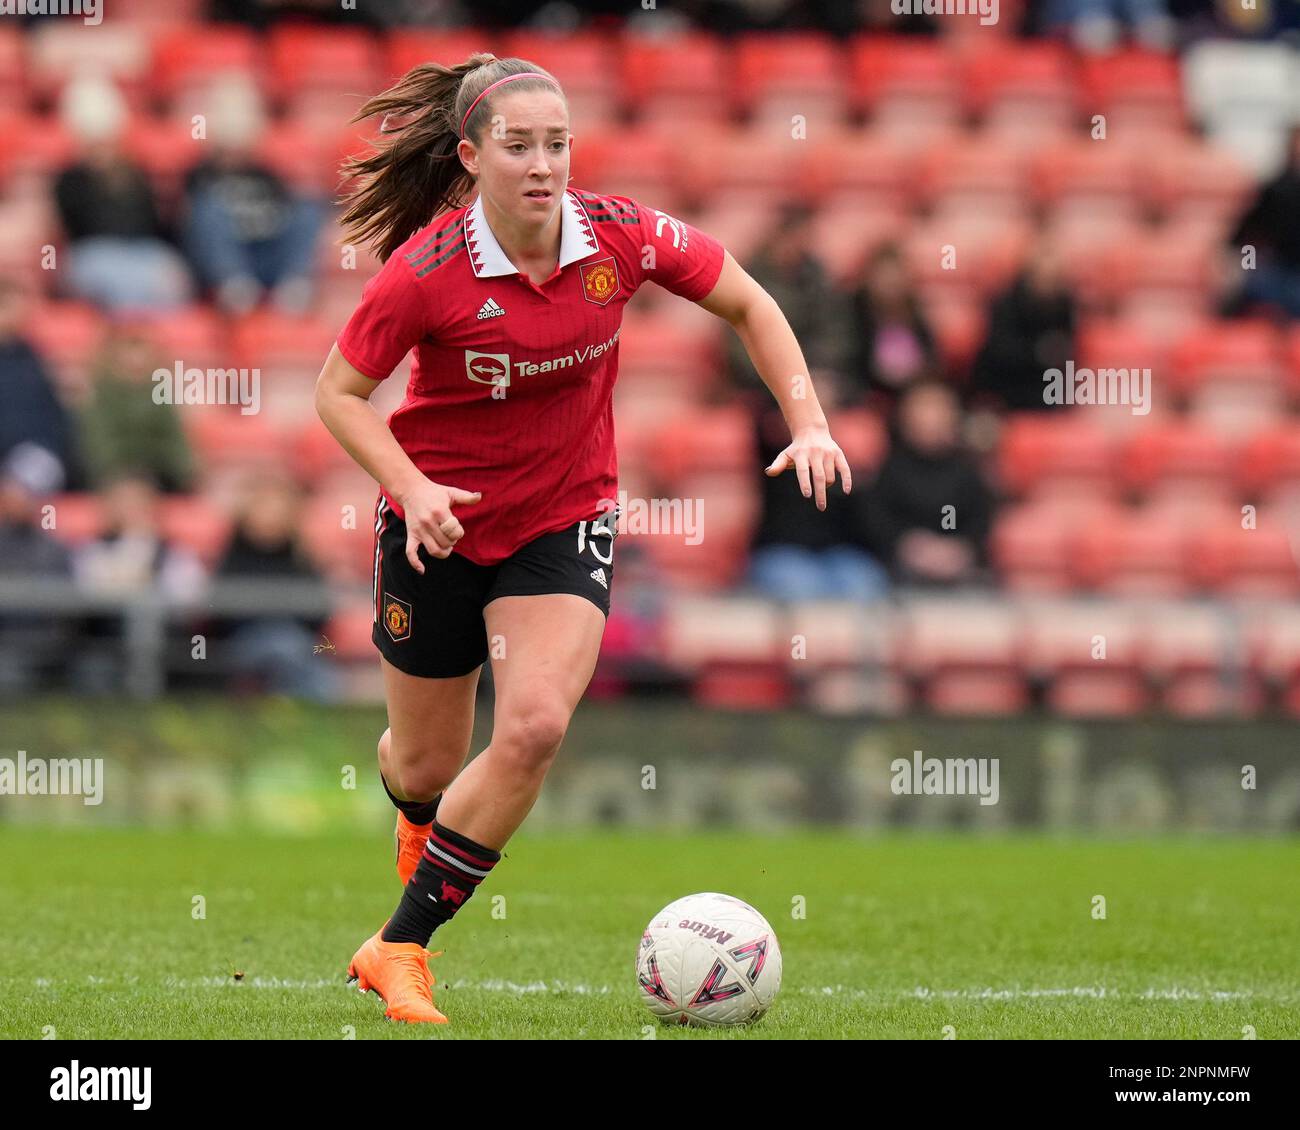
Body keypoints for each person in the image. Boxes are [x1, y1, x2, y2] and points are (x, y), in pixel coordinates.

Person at [316, 54, 851, 1024]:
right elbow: (338, 395)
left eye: (556, 143)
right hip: (436, 526)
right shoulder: (426, 271)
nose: (543, 164)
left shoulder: (620, 235)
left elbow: (748, 301)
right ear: (471, 156)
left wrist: (807, 421)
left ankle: (398, 945)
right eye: (518, 145)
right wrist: (410, 484)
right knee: (426, 766)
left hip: (561, 522)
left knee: (532, 728)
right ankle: (415, 808)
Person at [181, 76, 326, 316]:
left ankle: (294, 285)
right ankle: (235, 288)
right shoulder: (198, 174)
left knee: (307, 206)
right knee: (207, 208)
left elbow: (285, 212)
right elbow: (193, 229)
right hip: (228, 262)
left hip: (267, 252)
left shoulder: (267, 173)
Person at [860, 380, 994, 587]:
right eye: (922, 408)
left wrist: (959, 550)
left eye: (938, 409)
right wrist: (908, 546)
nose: (930, 419)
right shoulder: (888, 470)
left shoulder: (968, 471)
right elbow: (876, 521)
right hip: (897, 566)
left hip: (958, 566)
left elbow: (980, 522)